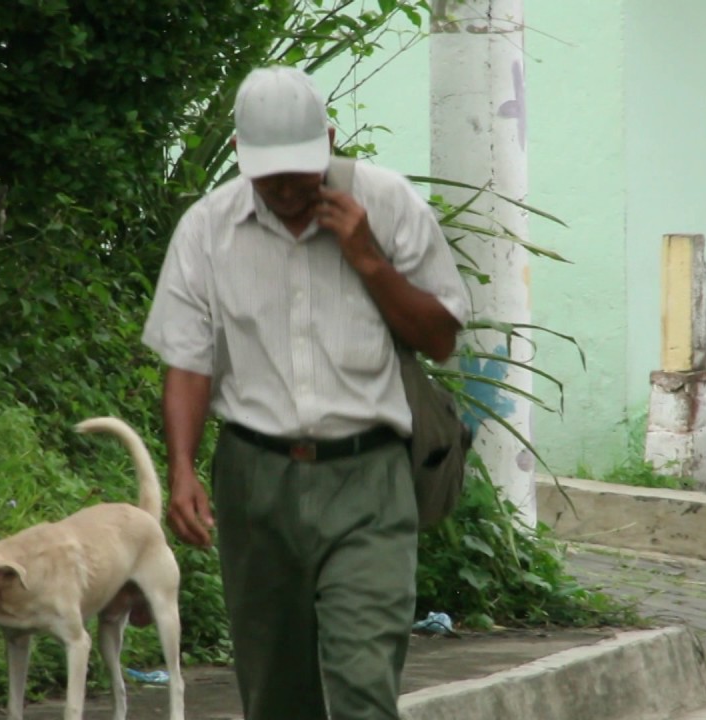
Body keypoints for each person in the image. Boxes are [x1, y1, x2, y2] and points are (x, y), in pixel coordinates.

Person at [141, 64, 469, 720]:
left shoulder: (388, 203)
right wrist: (181, 469)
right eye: (270, 175)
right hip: (256, 483)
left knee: (363, 686)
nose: (288, 189)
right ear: (240, 153)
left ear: (329, 140)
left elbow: (439, 338)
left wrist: (367, 257)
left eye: (301, 170)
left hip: (370, 480)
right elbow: (189, 362)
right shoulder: (208, 229)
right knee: (275, 695)